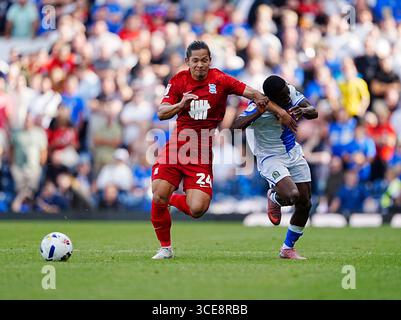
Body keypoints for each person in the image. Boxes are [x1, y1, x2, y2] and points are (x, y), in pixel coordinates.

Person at [150, 41, 296, 259]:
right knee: (159, 194)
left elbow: (256, 95)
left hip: (202, 150)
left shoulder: (220, 79)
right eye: (195, 61)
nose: (200, 65)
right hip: (178, 145)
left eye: (204, 60)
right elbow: (162, 112)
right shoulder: (179, 80)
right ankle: (165, 248)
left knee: (197, 209)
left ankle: (172, 199)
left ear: (210, 60)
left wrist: (281, 112)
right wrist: (180, 105)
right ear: (187, 62)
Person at [232, 75, 318, 260]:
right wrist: (258, 112)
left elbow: (313, 111)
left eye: (287, 92)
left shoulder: (290, 92)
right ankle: (274, 196)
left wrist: (304, 110)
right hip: (270, 158)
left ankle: (287, 248)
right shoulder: (259, 106)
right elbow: (235, 126)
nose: (288, 97)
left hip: (293, 153)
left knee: (305, 202)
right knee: (292, 195)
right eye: (283, 96)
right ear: (272, 98)